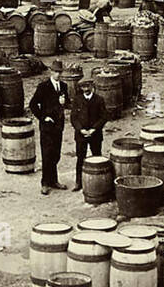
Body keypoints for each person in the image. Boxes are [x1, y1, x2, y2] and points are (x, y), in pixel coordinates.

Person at [28, 61, 69, 195]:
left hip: (58, 126)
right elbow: (33, 104)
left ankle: (54, 180)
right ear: (51, 72)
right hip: (47, 126)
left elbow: (68, 103)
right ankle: (45, 183)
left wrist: (65, 102)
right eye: (56, 72)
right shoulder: (43, 87)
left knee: (56, 154)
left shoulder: (64, 86)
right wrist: (42, 117)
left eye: (60, 72)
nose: (58, 74)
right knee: (47, 154)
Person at [69, 76, 108, 192]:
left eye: (87, 86)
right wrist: (80, 129)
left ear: (92, 86)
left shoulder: (99, 100)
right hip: (81, 135)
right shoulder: (77, 100)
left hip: (95, 135)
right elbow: (73, 118)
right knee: (80, 158)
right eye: (83, 87)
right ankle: (79, 182)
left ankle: (99, 183)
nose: (85, 89)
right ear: (80, 88)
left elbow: (104, 117)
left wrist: (94, 129)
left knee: (97, 157)